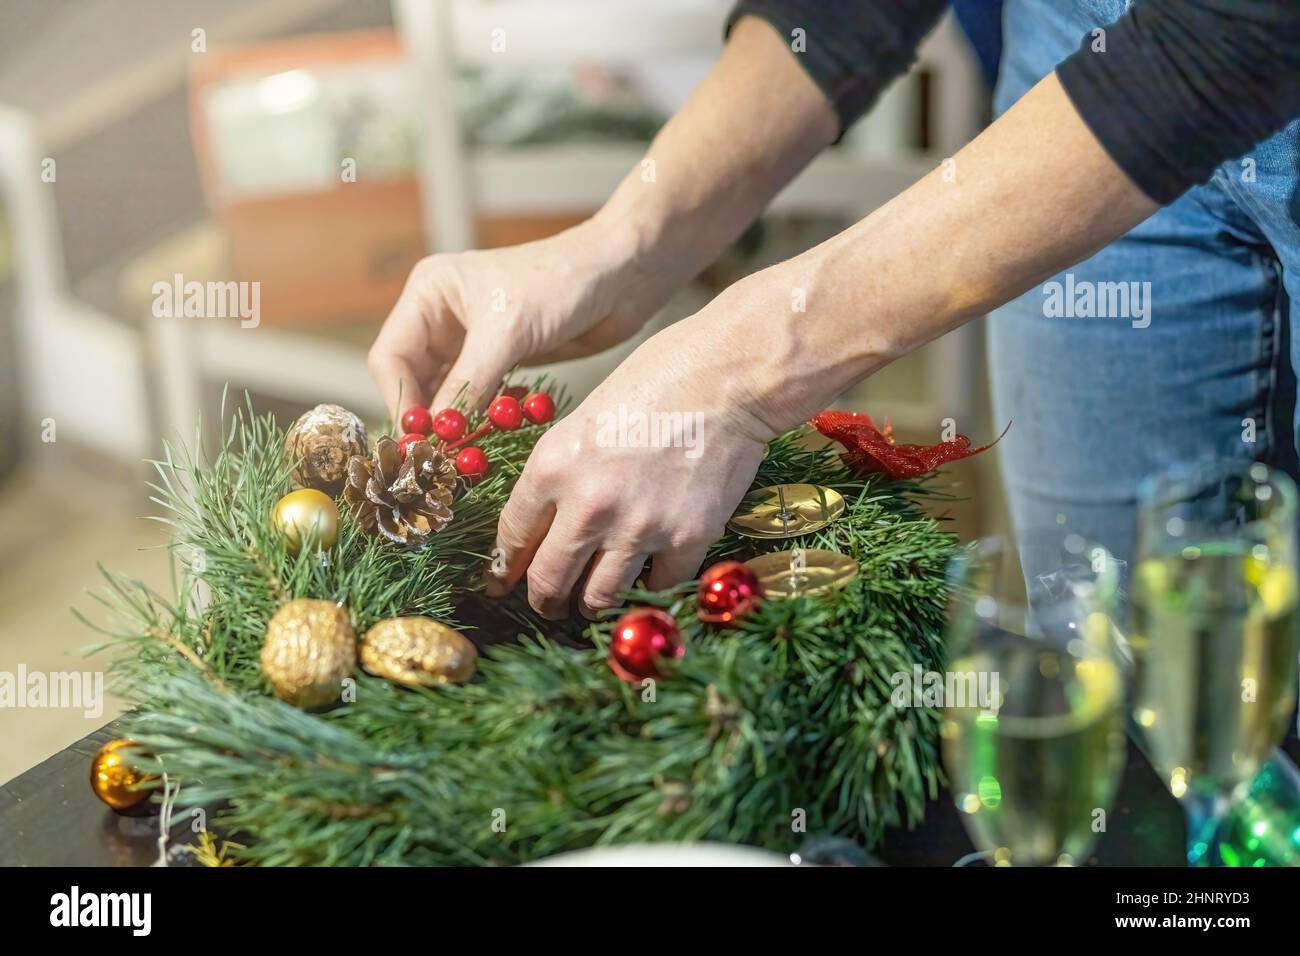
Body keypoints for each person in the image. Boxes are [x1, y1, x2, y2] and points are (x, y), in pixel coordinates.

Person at [368, 1, 1300, 620]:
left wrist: (739, 370)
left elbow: (1242, 31)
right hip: (1088, 48)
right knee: (1134, 662)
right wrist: (622, 241)